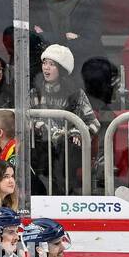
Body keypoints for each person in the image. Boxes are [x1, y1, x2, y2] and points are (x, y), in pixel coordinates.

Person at [30, 44, 100, 195]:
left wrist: (78, 132)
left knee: (65, 151)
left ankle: (63, 196)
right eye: (44, 63)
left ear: (61, 69)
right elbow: (24, 119)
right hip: (41, 145)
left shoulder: (76, 94)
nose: (46, 68)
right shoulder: (34, 91)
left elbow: (93, 123)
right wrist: (36, 125)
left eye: (52, 64)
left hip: (68, 148)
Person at [31, 0, 104, 74]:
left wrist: (48, 36)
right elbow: (33, 41)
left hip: (81, 65)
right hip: (47, 65)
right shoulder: (37, 7)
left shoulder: (88, 5)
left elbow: (89, 43)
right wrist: (65, 37)